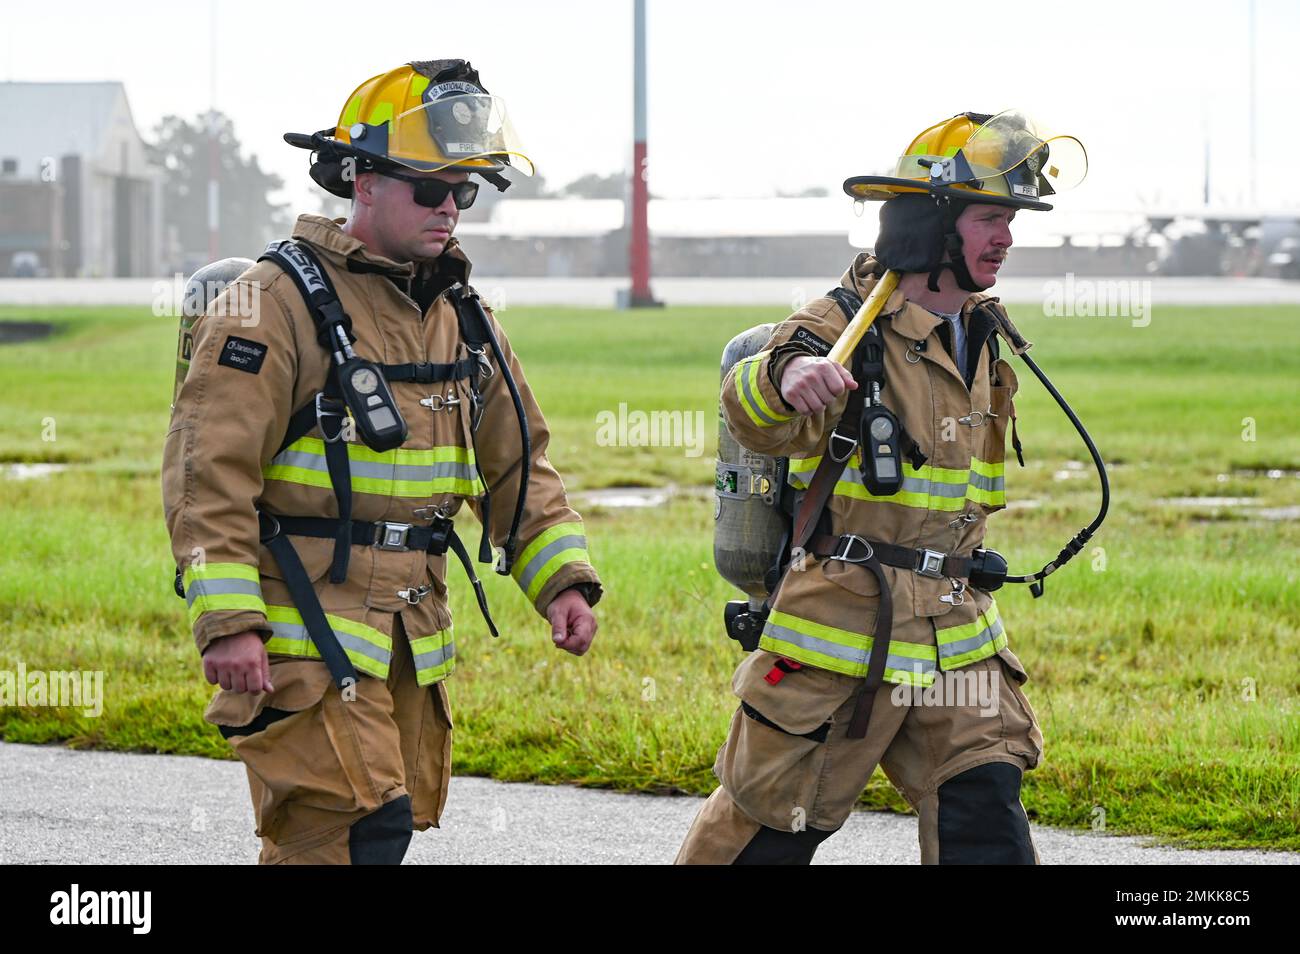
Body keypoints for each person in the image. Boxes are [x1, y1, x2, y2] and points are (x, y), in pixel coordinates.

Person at [163, 59, 601, 865]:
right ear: (363, 181)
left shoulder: (463, 317)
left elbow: (519, 466)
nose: (450, 209)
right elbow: (207, 474)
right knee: (363, 828)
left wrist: (562, 581)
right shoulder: (273, 302)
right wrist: (227, 620)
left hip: (402, 635)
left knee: (334, 844)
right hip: (296, 632)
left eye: (464, 192)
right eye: (430, 188)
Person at [677, 111, 1088, 864]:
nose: (1006, 238)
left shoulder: (981, 329)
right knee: (771, 826)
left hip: (956, 630)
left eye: (1011, 220)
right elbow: (754, 400)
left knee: (984, 814)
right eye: (991, 218)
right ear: (933, 229)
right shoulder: (842, 322)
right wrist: (787, 379)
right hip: (841, 635)